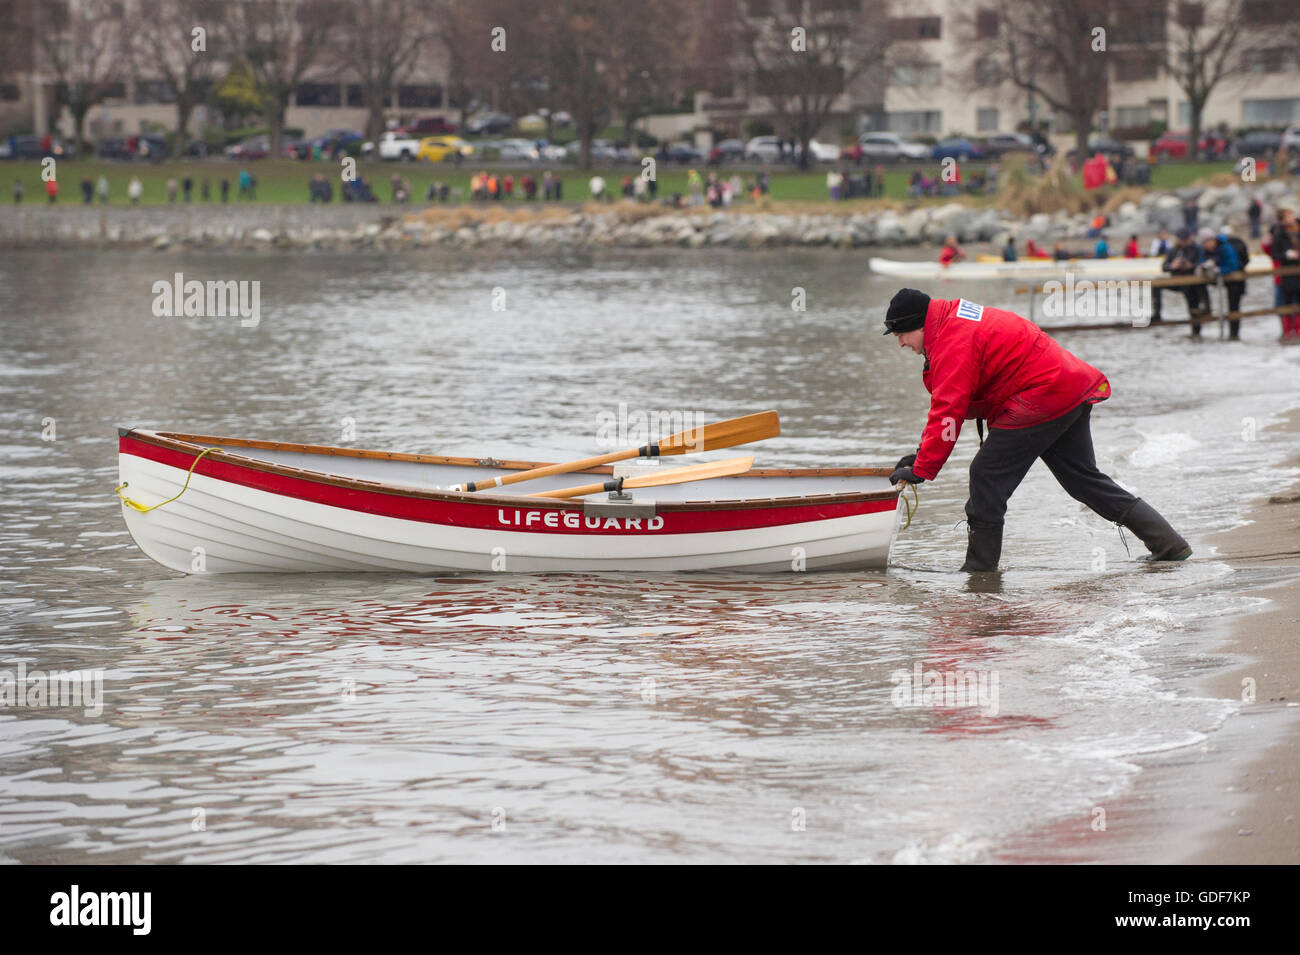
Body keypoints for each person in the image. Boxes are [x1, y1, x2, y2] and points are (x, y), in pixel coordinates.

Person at [882, 288, 1191, 571]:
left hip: (1040, 396)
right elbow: (952, 405)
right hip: (1068, 387)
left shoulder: (952, 339)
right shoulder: (955, 318)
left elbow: (948, 409)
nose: (900, 343)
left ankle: (978, 574)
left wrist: (924, 467)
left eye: (902, 334)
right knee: (1083, 480)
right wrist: (922, 455)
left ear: (920, 324)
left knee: (985, 476)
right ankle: (1168, 544)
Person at [1199, 228, 1249, 340]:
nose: (1208, 245)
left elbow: (1233, 265)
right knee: (1199, 285)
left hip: (1236, 280)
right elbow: (1202, 260)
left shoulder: (1226, 247)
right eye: (1205, 243)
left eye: (1209, 242)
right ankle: (1206, 309)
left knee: (1234, 307)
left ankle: (1234, 335)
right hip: (1222, 279)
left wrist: (1219, 269)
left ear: (1213, 239)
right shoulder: (1206, 250)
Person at [1163, 228, 1209, 336]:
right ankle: (1156, 313)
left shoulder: (1197, 249)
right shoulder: (1173, 250)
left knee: (1194, 310)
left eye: (1185, 239)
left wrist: (1191, 266)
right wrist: (1172, 266)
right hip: (1177, 282)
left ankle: (1196, 333)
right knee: (1155, 285)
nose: (1183, 242)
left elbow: (1203, 263)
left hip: (1193, 285)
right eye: (1181, 240)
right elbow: (1164, 267)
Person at [1269, 212, 1300, 339]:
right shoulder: (1279, 235)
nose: (1291, 219)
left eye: (1291, 216)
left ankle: (1298, 331)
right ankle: (1287, 331)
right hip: (1285, 274)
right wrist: (1287, 255)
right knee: (1285, 303)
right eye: (1287, 217)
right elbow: (1274, 254)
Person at [1148, 228, 1172, 321]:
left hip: (1164, 265)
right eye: (1163, 234)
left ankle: (1157, 313)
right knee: (1156, 285)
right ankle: (1156, 312)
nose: (1164, 236)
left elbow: (1169, 252)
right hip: (1157, 262)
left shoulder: (1168, 243)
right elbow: (1153, 252)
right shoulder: (1156, 242)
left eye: (1165, 234)